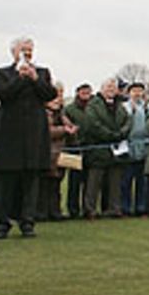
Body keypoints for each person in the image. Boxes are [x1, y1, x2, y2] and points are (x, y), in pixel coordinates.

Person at [0, 37, 57, 238]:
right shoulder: (1, 73)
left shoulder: (43, 73)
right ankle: (2, 223)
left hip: (35, 135)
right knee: (6, 182)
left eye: (29, 50)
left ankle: (28, 222)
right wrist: (20, 78)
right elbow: (3, 95)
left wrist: (35, 78)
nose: (26, 54)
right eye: (23, 50)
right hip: (10, 135)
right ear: (14, 52)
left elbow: (49, 94)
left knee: (31, 180)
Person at [82, 78, 130, 218]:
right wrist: (110, 135)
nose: (111, 89)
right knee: (94, 182)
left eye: (113, 87)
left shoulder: (120, 105)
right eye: (108, 87)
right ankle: (89, 209)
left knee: (115, 181)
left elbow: (128, 121)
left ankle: (114, 208)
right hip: (98, 147)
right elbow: (93, 124)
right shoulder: (93, 104)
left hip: (117, 148)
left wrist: (121, 134)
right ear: (101, 89)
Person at [39, 83, 75, 221]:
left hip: (59, 154)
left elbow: (69, 127)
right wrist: (64, 130)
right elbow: (45, 131)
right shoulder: (42, 113)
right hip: (46, 153)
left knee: (56, 185)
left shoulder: (62, 114)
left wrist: (71, 130)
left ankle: (55, 211)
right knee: (44, 185)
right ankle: (42, 212)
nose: (57, 101)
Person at [121, 82, 149, 216]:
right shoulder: (124, 107)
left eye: (139, 91)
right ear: (129, 93)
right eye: (134, 91)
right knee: (126, 181)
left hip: (145, 147)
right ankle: (125, 208)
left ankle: (141, 207)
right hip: (129, 146)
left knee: (143, 182)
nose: (137, 93)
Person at [62, 83, 93, 218]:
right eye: (83, 92)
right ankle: (73, 209)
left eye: (88, 92)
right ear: (78, 93)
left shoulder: (94, 107)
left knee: (88, 181)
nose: (86, 94)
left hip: (91, 147)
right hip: (74, 147)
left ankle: (87, 209)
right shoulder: (70, 109)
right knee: (74, 182)